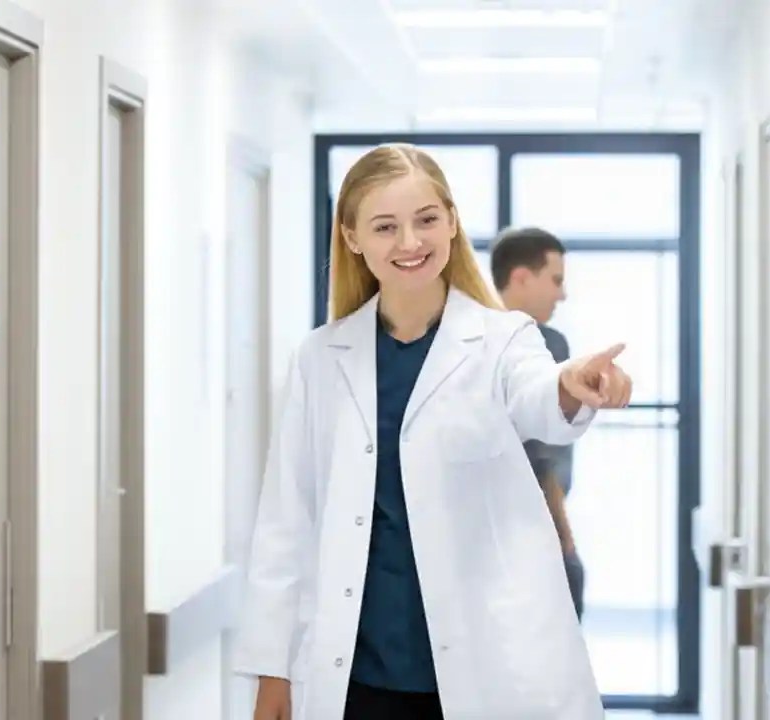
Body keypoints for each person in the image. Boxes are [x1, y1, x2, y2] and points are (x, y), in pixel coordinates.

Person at [234, 143, 632, 720]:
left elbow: (537, 395)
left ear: (451, 222)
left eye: (426, 220)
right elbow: (285, 522)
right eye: (385, 226)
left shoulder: (503, 340)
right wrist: (273, 670)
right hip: (357, 676)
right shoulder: (320, 359)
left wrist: (572, 383)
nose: (410, 243)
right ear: (351, 237)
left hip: (483, 671)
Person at [489, 227, 584, 619]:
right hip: (519, 531)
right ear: (521, 278)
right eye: (556, 280)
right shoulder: (544, 344)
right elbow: (541, 458)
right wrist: (564, 540)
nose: (561, 294)